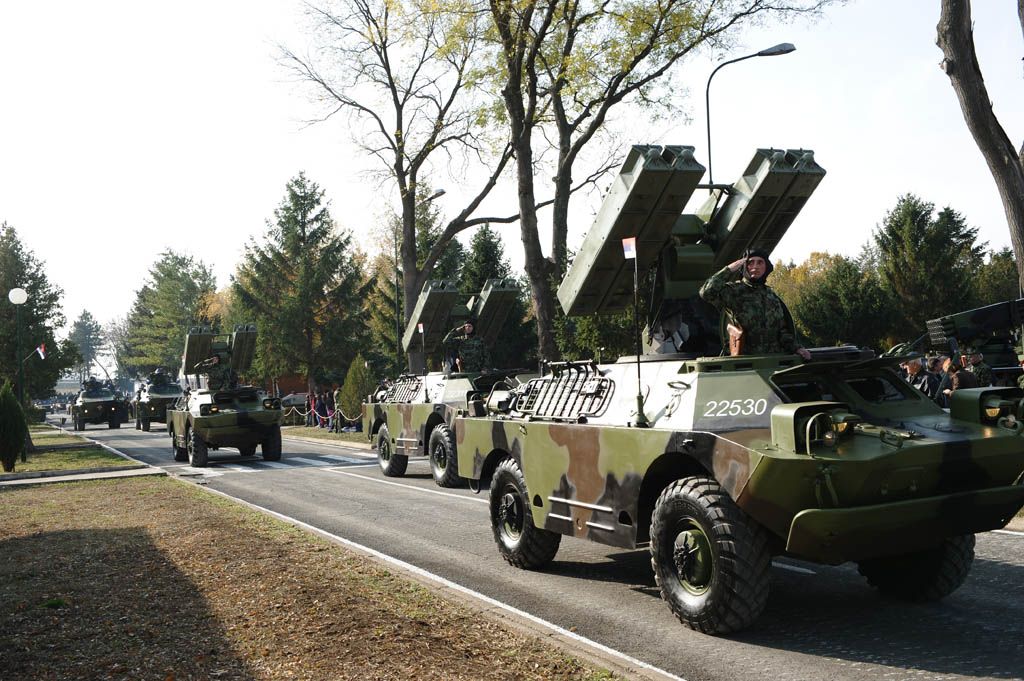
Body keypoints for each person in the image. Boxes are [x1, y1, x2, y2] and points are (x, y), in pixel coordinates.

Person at [698, 248, 811, 360]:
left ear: (766, 267)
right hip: (744, 361)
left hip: (772, 359)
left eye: (760, 262)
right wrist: (729, 269)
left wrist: (797, 348)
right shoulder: (734, 292)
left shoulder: (771, 296)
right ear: (744, 267)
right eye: (750, 263)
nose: (755, 267)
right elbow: (706, 292)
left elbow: (782, 331)